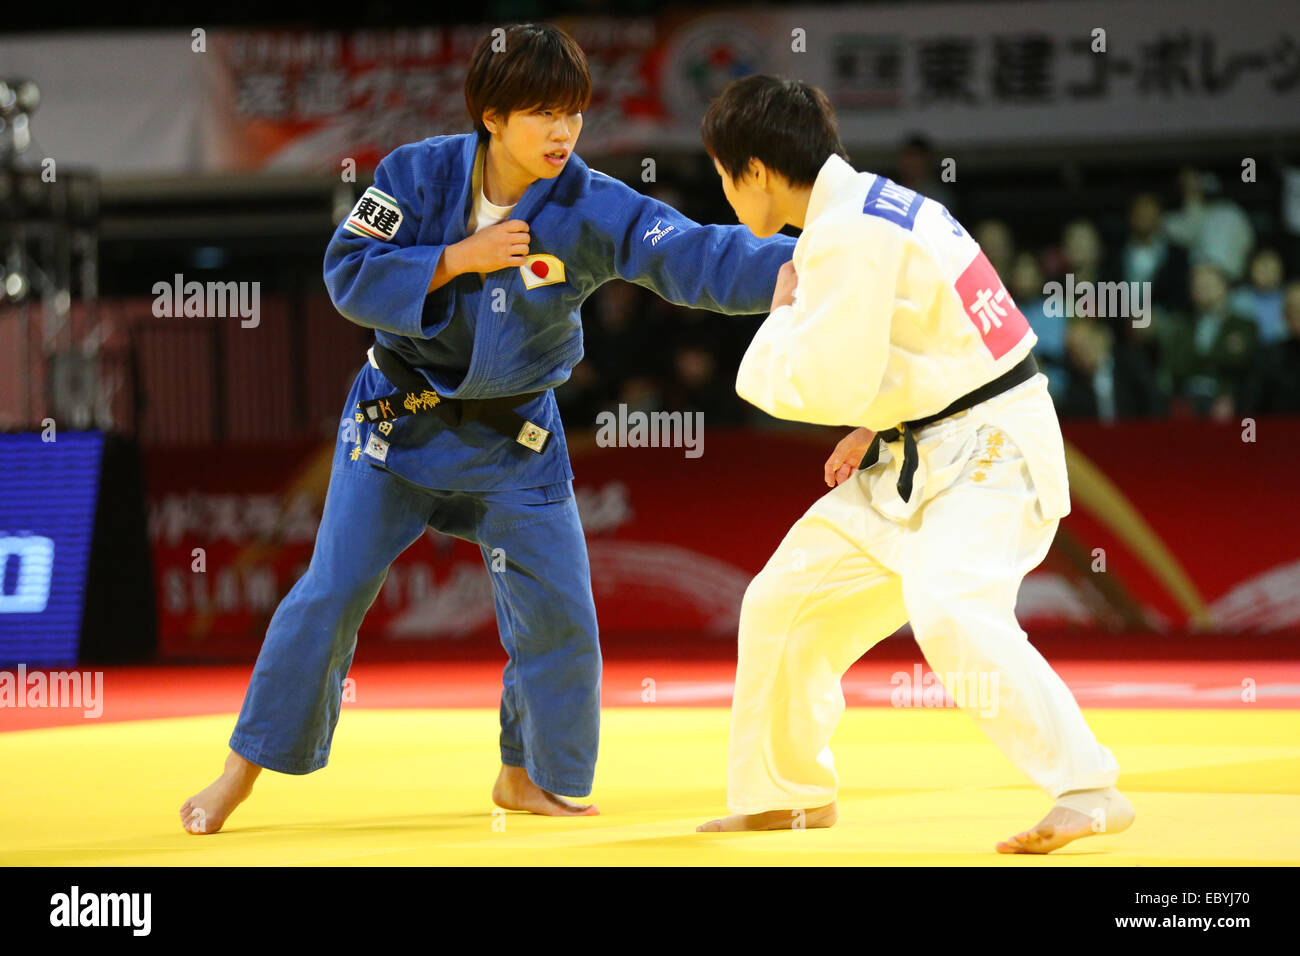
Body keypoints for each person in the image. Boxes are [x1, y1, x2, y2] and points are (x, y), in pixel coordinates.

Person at [180, 23, 794, 835]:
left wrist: (808, 259)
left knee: (560, 611)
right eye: (543, 113)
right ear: (493, 117)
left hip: (516, 443)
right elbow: (346, 271)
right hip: (395, 430)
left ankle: (525, 774)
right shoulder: (414, 174)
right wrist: (457, 258)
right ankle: (239, 772)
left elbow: (691, 253)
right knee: (328, 596)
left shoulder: (588, 202)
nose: (564, 133)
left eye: (573, 113)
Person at [695, 74, 1133, 854]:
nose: (725, 194)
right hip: (918, 440)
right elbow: (923, 339)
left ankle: (1088, 787)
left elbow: (823, 383)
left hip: (989, 446)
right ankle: (783, 793)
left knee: (950, 604)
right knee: (781, 604)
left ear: (756, 170)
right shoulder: (872, 205)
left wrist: (779, 318)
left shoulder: (843, 233)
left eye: (725, 176)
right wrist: (874, 420)